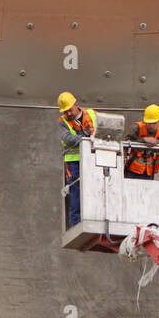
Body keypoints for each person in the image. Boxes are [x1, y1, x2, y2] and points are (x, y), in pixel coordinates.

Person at [57, 91, 97, 227]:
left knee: (95, 188)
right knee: (76, 191)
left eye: (69, 110)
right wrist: (86, 137)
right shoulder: (62, 122)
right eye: (65, 112)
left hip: (93, 159)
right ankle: (77, 224)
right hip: (74, 162)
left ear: (76, 104)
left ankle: (94, 219)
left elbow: (103, 132)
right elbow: (68, 139)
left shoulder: (92, 114)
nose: (67, 114)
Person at [125, 104, 159, 180]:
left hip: (149, 171)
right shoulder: (137, 127)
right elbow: (126, 141)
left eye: (154, 123)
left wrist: (157, 142)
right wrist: (144, 140)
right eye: (149, 123)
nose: (151, 126)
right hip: (132, 170)